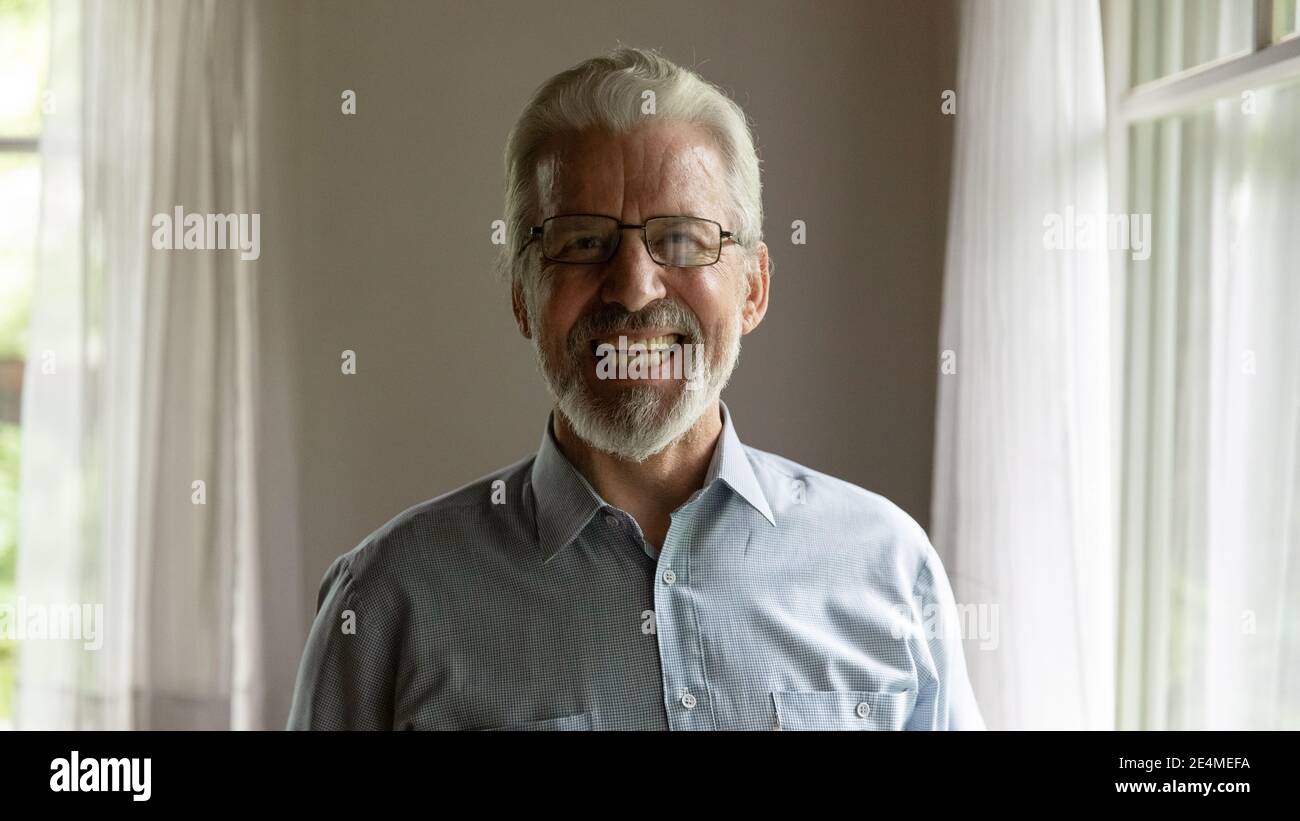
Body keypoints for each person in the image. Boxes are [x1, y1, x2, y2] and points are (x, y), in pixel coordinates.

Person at [287, 46, 984, 730]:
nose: (633, 286)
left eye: (680, 240)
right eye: (583, 242)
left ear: (753, 287)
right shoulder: (388, 600)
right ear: (523, 297)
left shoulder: (889, 568)